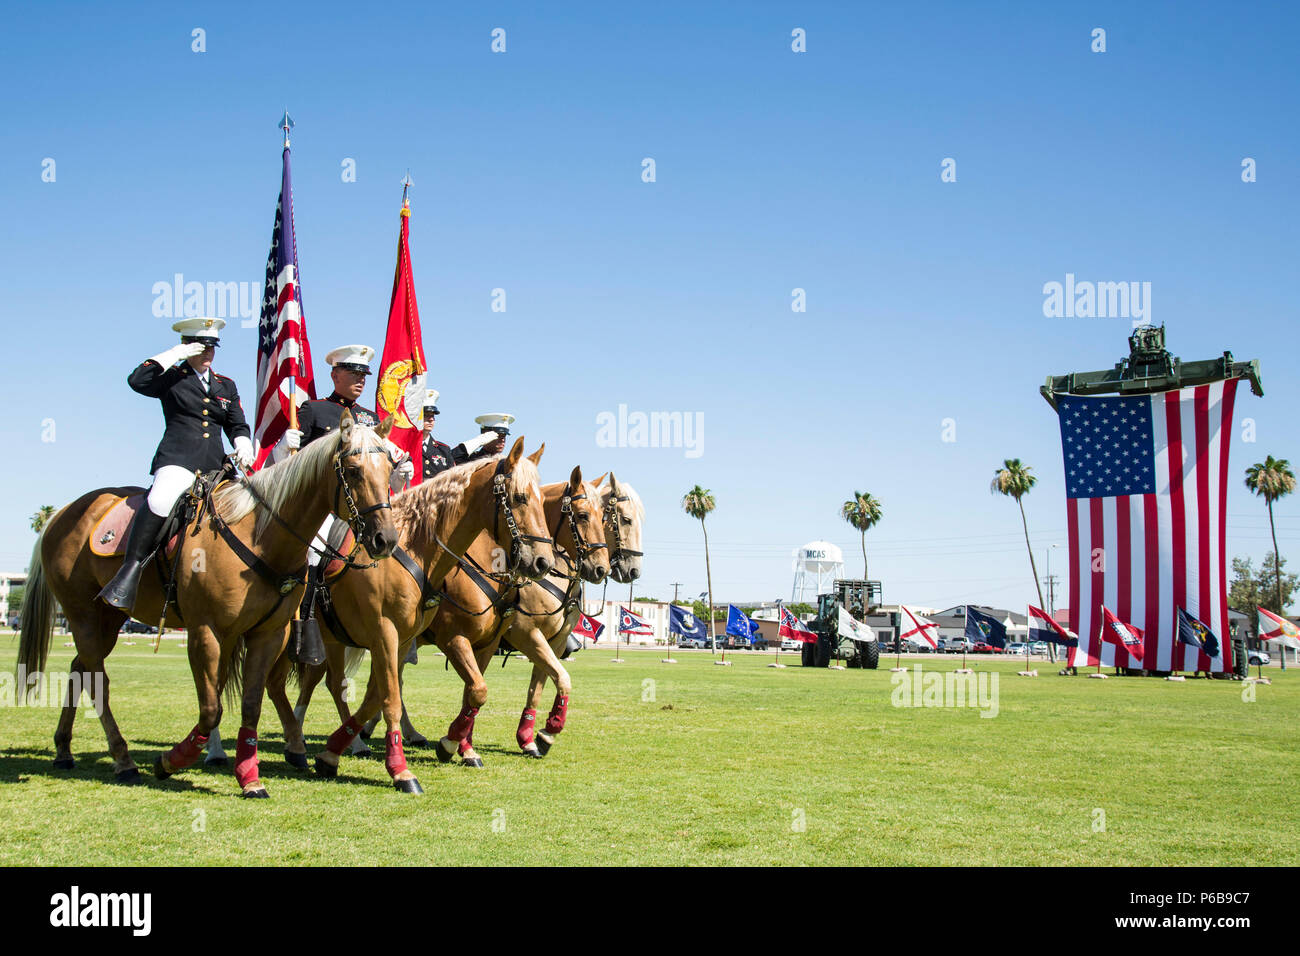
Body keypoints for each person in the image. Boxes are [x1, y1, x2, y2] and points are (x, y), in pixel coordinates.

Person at [98, 317, 254, 610]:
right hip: (179, 461)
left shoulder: (226, 385)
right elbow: (136, 381)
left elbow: (237, 423)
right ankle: (129, 571)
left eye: (212, 347)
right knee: (160, 500)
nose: (208, 353)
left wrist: (243, 443)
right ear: (186, 347)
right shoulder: (172, 377)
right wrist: (173, 356)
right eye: (201, 347)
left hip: (217, 467)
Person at [449, 413, 516, 466]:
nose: (503, 440)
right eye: (498, 436)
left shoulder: (504, 463)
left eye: (504, 436)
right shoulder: (473, 459)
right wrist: (478, 441)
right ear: (485, 435)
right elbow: (449, 459)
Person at [419, 389, 456, 481]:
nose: (431, 419)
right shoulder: (407, 447)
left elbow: (452, 479)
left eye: (433, 416)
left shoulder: (443, 450)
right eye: (426, 415)